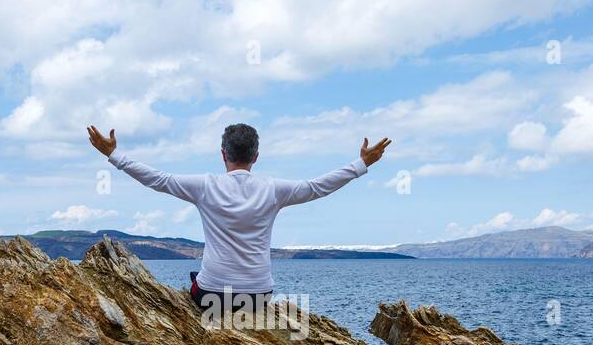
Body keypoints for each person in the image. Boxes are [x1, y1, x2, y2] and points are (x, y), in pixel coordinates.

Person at [86, 122, 390, 310]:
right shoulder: (273, 190)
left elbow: (158, 179)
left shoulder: (205, 186)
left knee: (194, 282)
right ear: (255, 157)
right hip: (259, 296)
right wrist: (361, 164)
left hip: (212, 296)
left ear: (223, 154)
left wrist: (114, 155)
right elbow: (316, 187)